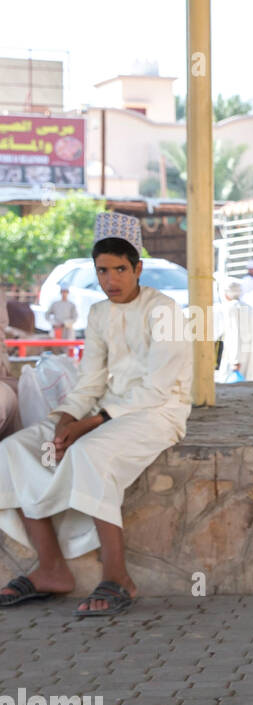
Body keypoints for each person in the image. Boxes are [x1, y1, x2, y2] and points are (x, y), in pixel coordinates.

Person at [0, 212, 193, 615]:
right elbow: (89, 382)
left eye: (120, 269)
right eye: (102, 271)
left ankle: (117, 575)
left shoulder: (166, 310)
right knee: (15, 450)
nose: (111, 280)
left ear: (138, 268)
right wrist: (64, 420)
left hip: (158, 413)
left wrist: (89, 425)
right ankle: (51, 568)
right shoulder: (99, 314)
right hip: (103, 410)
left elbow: (157, 389)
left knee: (90, 453)